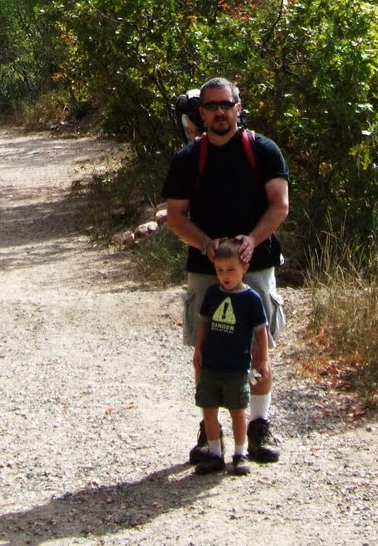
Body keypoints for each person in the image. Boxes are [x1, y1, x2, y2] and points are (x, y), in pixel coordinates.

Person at [163, 75, 289, 464]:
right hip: (205, 270)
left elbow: (279, 205)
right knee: (208, 349)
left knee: (257, 346)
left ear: (238, 107)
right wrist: (205, 245)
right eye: (211, 106)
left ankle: (259, 426)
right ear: (200, 113)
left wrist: (252, 240)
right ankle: (210, 431)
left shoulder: (263, 151)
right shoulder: (188, 160)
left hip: (257, 265)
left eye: (225, 104)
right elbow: (175, 216)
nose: (219, 112)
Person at [191, 237, 270, 475]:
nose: (225, 275)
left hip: (237, 367)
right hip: (212, 365)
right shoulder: (213, 294)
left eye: (231, 270)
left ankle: (240, 453)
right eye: (220, 270)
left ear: (244, 268)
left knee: (238, 411)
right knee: (209, 409)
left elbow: (261, 331)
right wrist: (198, 348)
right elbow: (203, 323)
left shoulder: (251, 299)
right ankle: (215, 453)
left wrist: (264, 359)